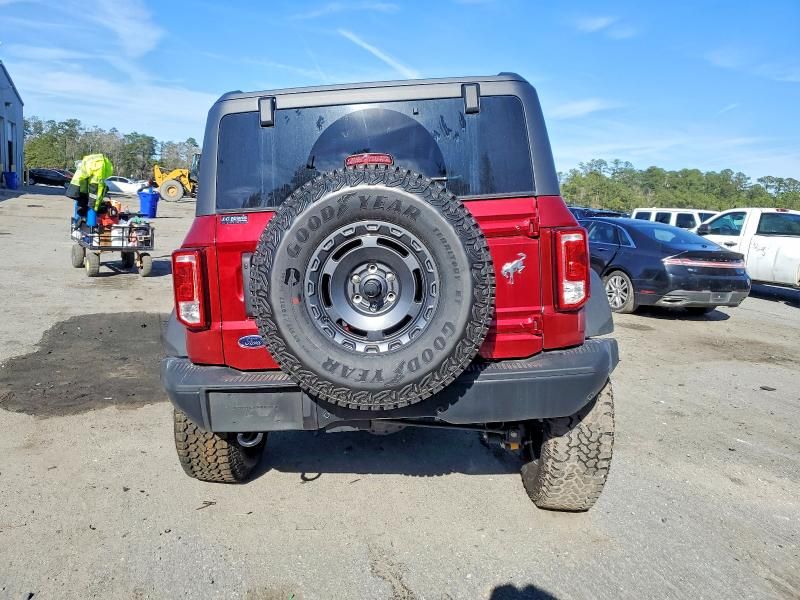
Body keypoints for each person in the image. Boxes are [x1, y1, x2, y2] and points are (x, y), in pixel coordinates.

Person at [66, 154, 114, 219]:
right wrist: (95, 207)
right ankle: (83, 221)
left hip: (78, 193)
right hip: (85, 197)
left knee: (81, 207)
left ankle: (79, 221)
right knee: (90, 205)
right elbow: (97, 191)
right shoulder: (100, 167)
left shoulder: (87, 163)